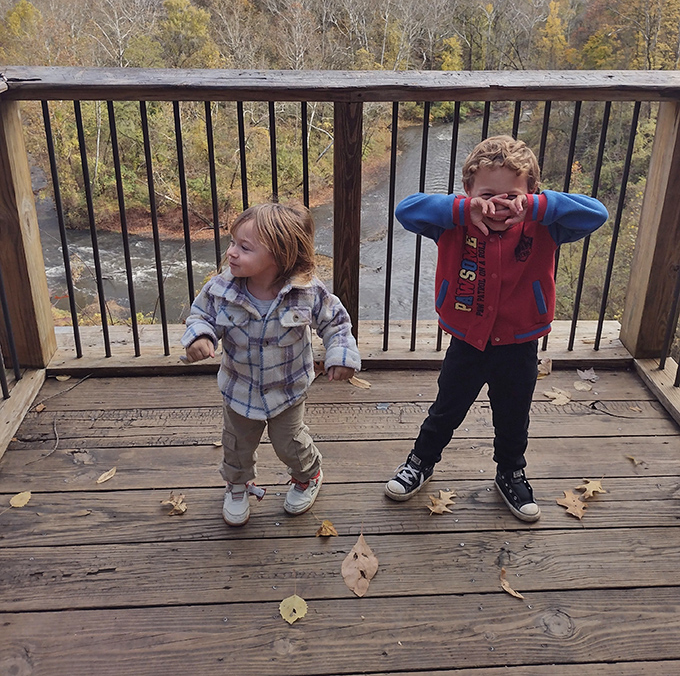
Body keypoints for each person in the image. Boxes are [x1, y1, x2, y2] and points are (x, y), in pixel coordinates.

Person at [384, 135, 608, 522]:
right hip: (467, 341)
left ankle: (511, 472)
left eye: (512, 196)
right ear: (469, 190)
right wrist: (462, 210)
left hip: (520, 344)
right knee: (447, 408)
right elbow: (407, 211)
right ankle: (420, 461)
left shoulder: (545, 226)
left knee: (513, 414)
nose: (498, 205)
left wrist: (537, 208)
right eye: (488, 194)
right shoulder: (454, 224)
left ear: (531, 193)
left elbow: (596, 214)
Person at [182, 201, 361, 526]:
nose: (231, 253)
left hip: (287, 390)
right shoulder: (221, 290)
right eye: (233, 242)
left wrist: (341, 355)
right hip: (240, 389)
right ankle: (237, 485)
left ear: (280, 256)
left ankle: (308, 475)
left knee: (290, 444)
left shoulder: (306, 292)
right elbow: (201, 315)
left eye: (244, 247)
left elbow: (335, 323)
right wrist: (200, 336)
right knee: (236, 445)